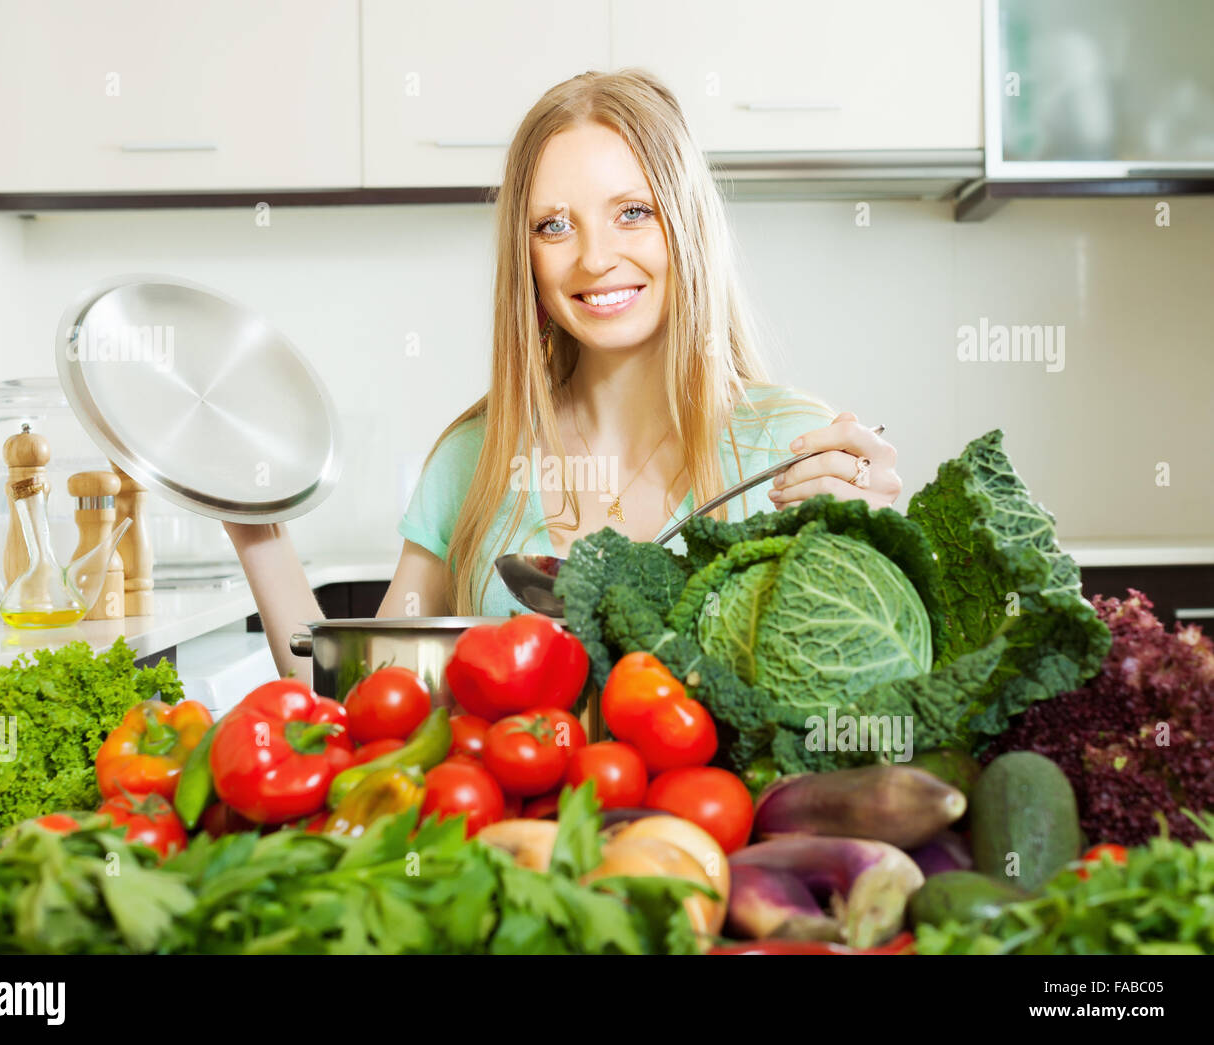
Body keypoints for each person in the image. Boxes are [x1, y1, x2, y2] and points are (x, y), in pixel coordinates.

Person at [226, 69, 901, 683]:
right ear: (527, 260)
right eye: (554, 226)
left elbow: (859, 695)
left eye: (632, 212)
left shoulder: (793, 449)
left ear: (685, 225)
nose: (595, 258)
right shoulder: (476, 460)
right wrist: (259, 533)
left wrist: (881, 547)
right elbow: (367, 702)